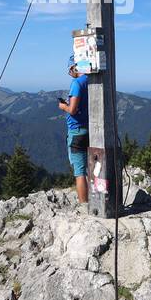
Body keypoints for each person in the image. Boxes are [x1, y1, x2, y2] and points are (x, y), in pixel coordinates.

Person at [58, 56, 89, 208]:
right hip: (90, 129)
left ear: (76, 67)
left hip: (77, 131)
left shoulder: (77, 83)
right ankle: (97, 199)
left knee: (80, 171)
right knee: (92, 167)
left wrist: (63, 106)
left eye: (70, 69)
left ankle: (84, 206)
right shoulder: (92, 80)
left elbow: (72, 109)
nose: (70, 73)